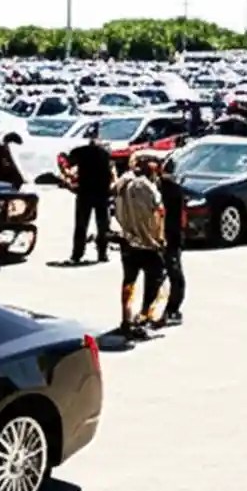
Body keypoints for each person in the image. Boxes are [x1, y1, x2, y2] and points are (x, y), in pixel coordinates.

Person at [112, 153, 165, 340]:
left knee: (129, 282)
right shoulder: (147, 187)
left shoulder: (121, 185)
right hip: (148, 244)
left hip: (127, 241)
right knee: (156, 281)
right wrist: (159, 239)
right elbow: (159, 212)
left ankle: (126, 320)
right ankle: (144, 319)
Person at [64, 124, 113, 264]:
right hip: (101, 193)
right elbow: (109, 173)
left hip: (85, 192)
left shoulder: (80, 151)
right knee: (102, 225)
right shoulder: (105, 153)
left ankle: (77, 254)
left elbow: (68, 162)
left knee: (81, 225)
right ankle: (102, 254)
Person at [157, 157, 187, 325]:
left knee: (156, 276)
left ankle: (150, 309)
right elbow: (181, 218)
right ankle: (172, 310)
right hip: (172, 238)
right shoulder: (176, 191)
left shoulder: (154, 187)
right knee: (176, 278)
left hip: (155, 237)